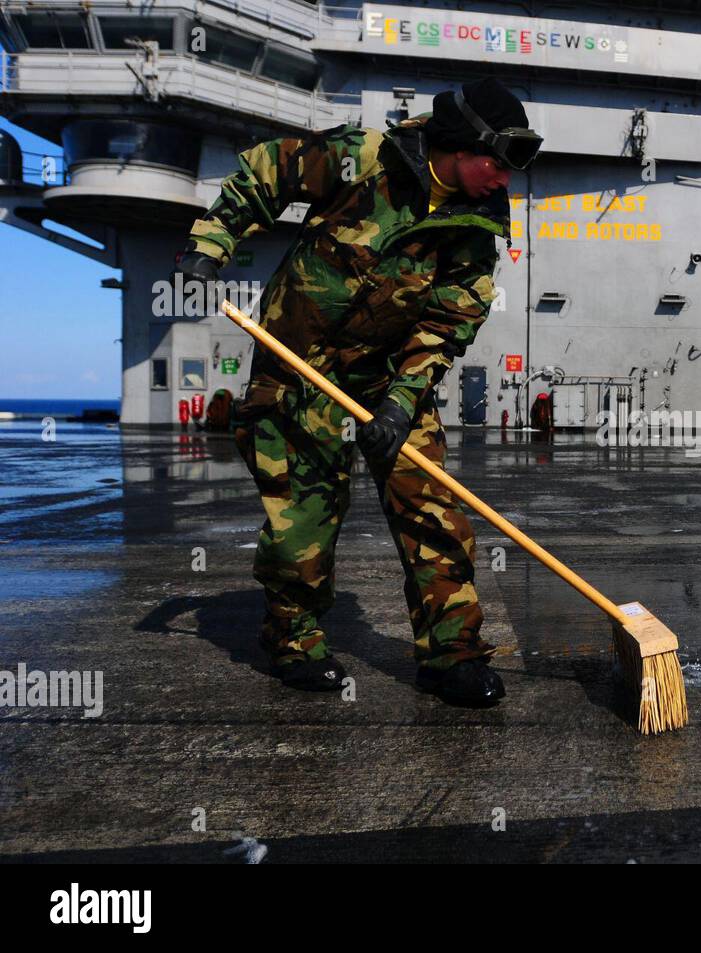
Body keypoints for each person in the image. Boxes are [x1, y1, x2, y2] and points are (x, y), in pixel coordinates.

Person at [174, 78, 542, 703]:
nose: (504, 181)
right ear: (457, 147)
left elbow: (449, 321)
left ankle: (451, 657)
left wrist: (402, 402)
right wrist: (212, 242)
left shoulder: (476, 225)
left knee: (434, 515)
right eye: (497, 164)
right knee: (302, 526)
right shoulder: (363, 160)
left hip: (389, 377)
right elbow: (269, 173)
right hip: (297, 368)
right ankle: (295, 645)